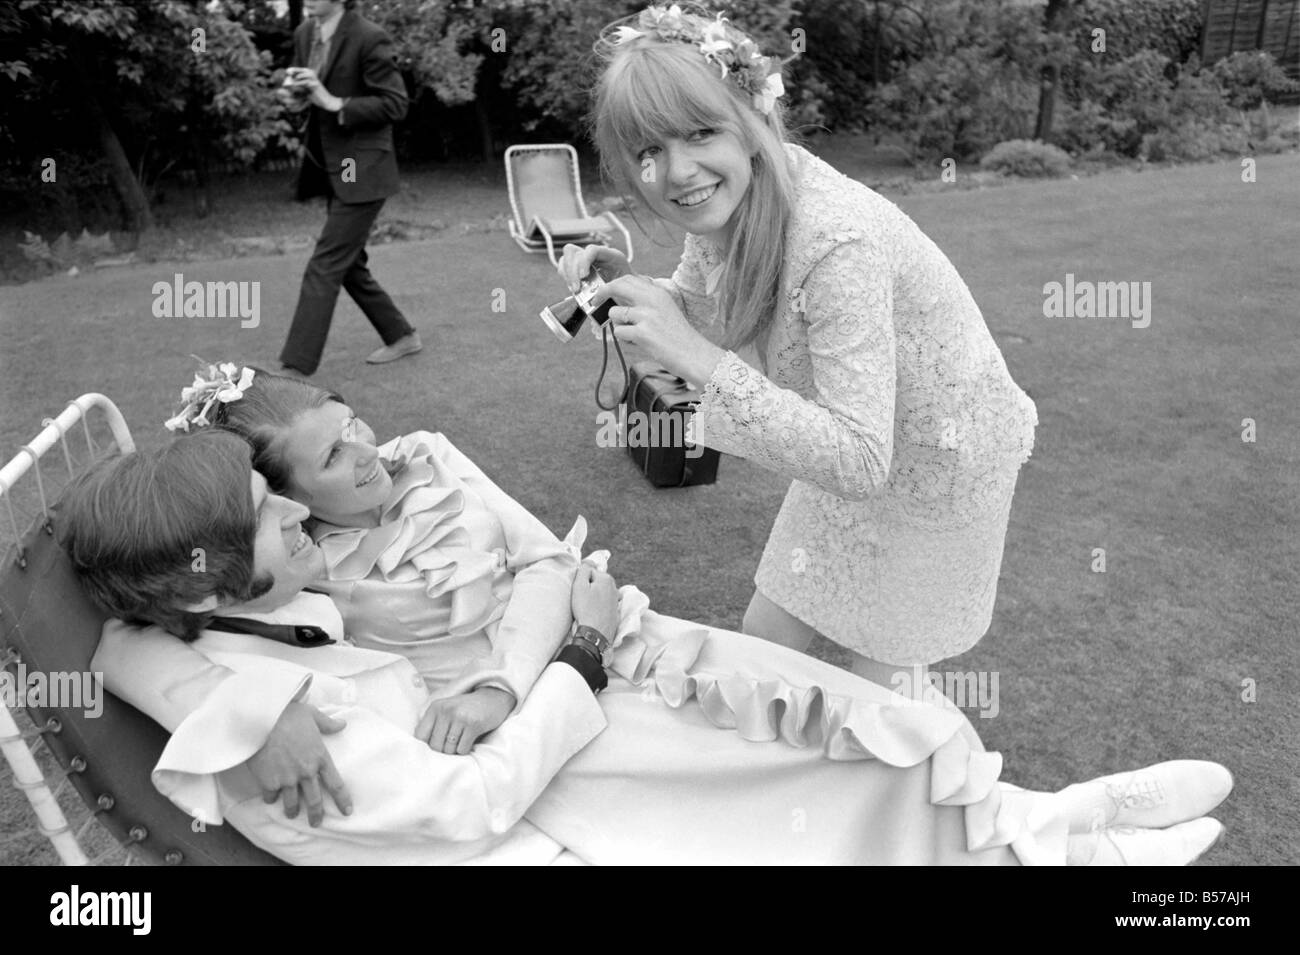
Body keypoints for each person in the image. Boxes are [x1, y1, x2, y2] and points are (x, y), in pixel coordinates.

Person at [74, 376, 1234, 865]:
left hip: (594, 659)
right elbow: (137, 638)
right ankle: (1047, 846)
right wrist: (251, 704)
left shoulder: (292, 579)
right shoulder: (295, 600)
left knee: (853, 722)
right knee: (809, 788)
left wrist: (541, 648)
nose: (364, 452)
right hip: (553, 730)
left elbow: (537, 556)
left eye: (350, 427)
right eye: (313, 470)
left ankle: (1054, 823)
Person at [560, 4, 1037, 688]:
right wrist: (627, 285)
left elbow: (861, 460)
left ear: (751, 119)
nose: (677, 172)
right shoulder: (728, 206)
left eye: (699, 133)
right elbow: (704, 311)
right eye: (649, 151)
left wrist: (697, 362)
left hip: (939, 454)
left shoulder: (838, 243)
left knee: (886, 689)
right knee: (767, 638)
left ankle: (933, 793)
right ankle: (776, 782)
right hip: (852, 427)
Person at [277, 0, 421, 375]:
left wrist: (332, 100)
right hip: (331, 164)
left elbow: (395, 104)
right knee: (349, 263)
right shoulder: (305, 33)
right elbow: (311, 97)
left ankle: (295, 371)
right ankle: (401, 335)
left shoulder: (369, 37)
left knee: (325, 263)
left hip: (363, 166)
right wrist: (295, 98)